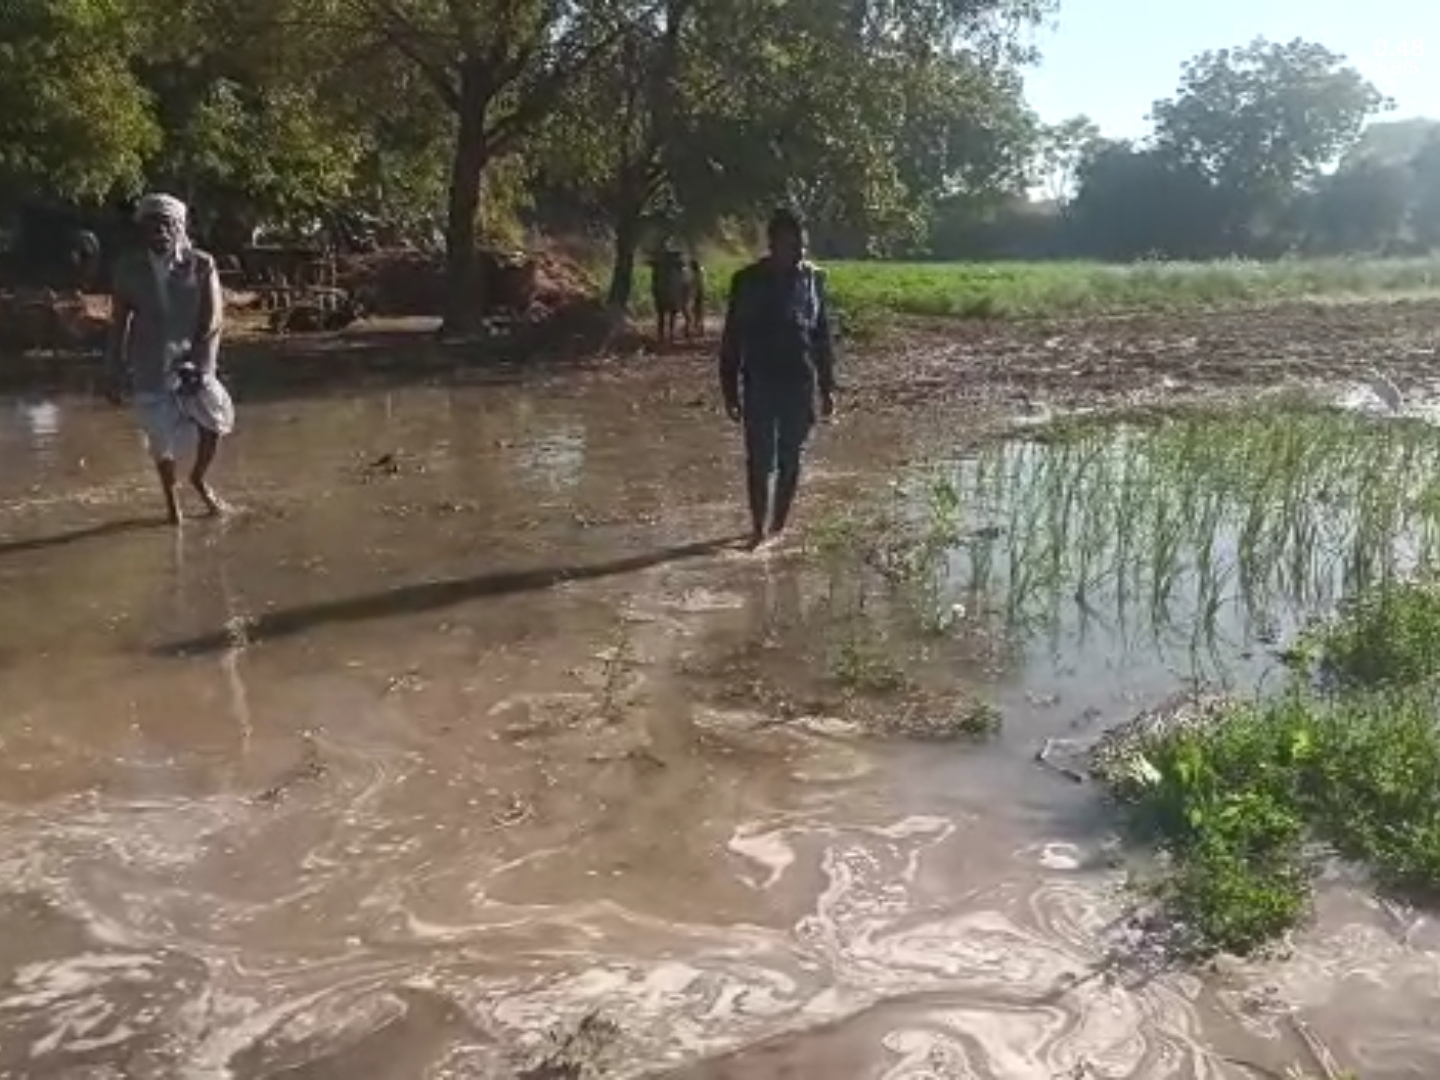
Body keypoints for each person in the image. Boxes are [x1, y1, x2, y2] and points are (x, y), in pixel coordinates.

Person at [105, 194, 234, 524]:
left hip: (193, 362)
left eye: (167, 223)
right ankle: (173, 506)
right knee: (160, 439)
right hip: (149, 362)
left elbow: (213, 320)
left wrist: (202, 366)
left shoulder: (201, 264)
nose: (160, 230)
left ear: (180, 227)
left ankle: (199, 479)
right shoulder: (128, 269)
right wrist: (114, 368)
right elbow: (119, 323)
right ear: (141, 230)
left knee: (214, 422)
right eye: (152, 224)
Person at [718, 207, 836, 549]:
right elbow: (732, 337)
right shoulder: (747, 282)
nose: (797, 252)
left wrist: (827, 387)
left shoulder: (813, 280)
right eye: (790, 245)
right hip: (760, 380)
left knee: (791, 458)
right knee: (759, 458)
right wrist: (729, 389)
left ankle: (778, 528)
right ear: (772, 245)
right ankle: (758, 530)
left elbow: (822, 335)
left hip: (800, 380)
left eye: (801, 245)